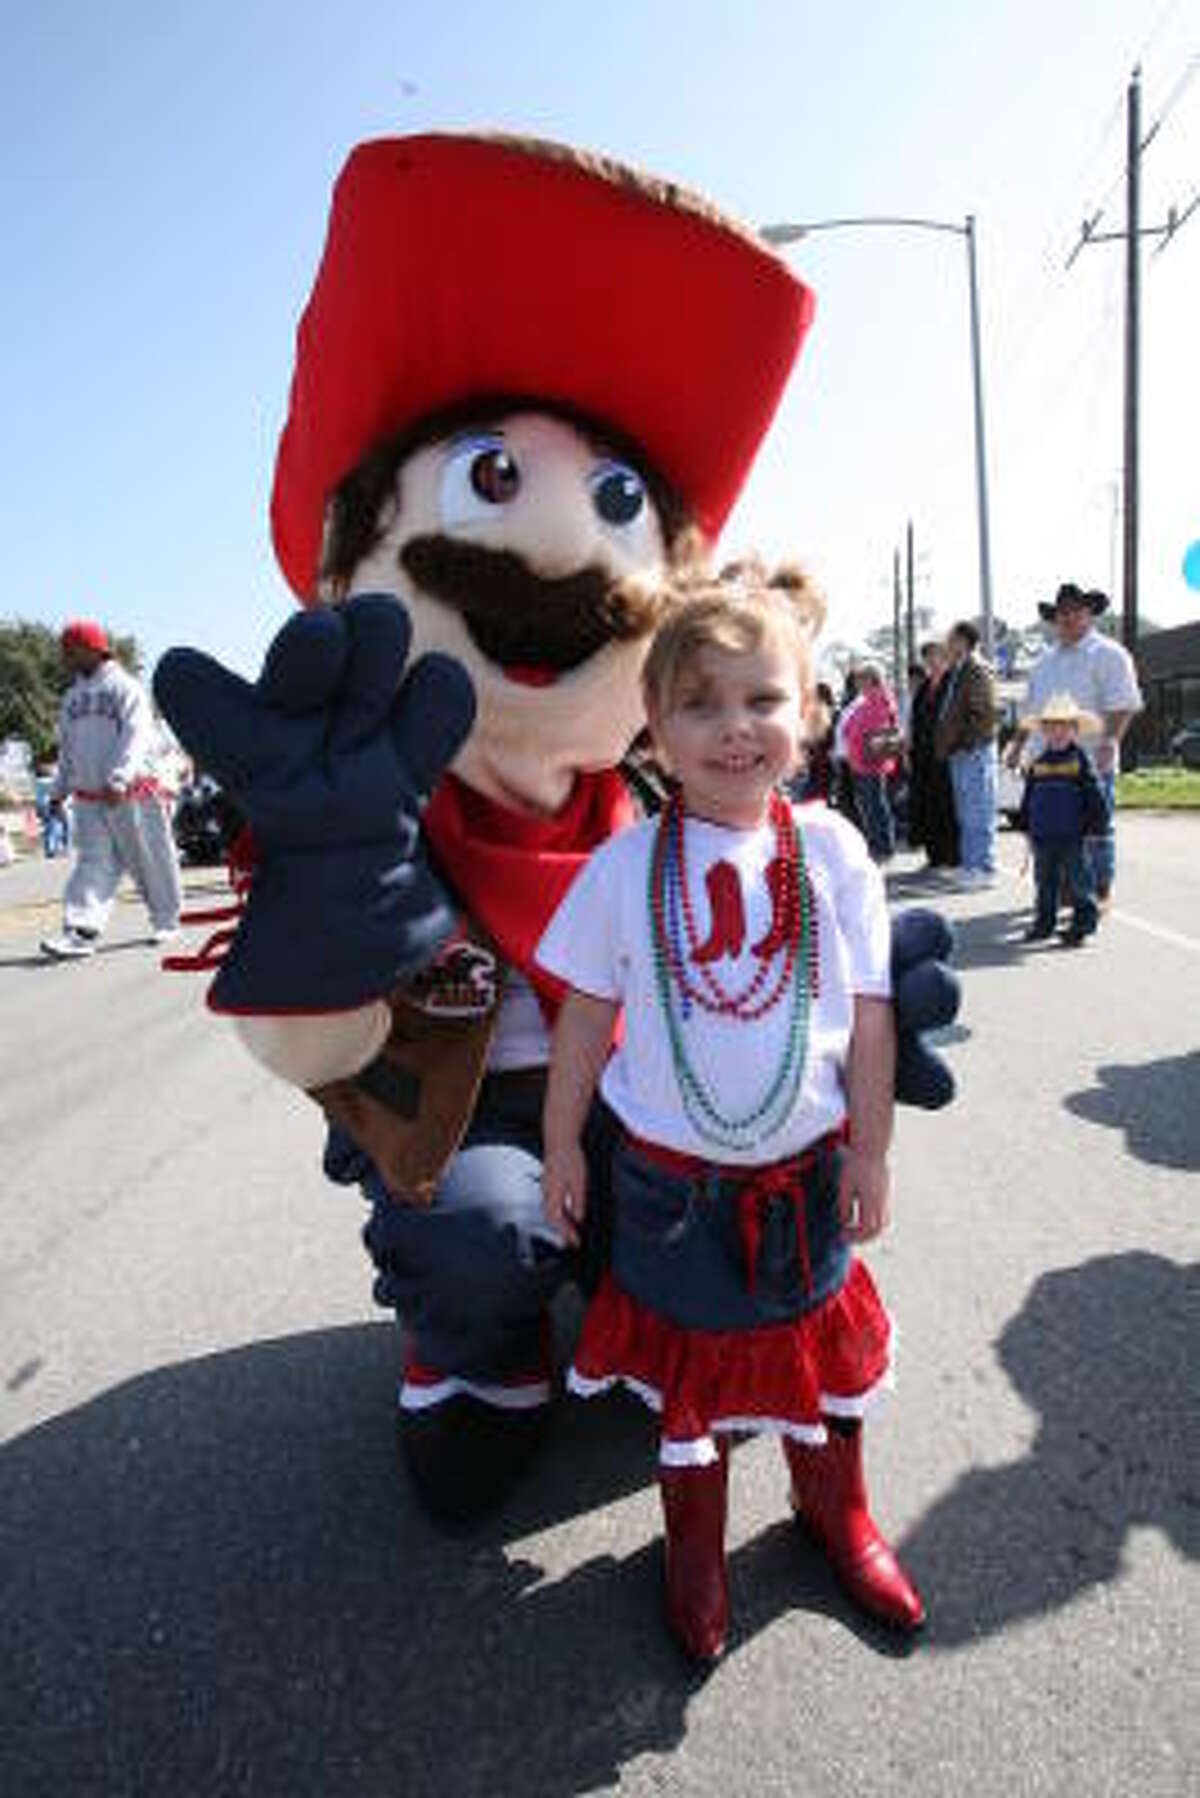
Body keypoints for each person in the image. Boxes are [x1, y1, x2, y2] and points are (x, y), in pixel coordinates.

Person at [154, 132, 959, 1531]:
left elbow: (787, 950)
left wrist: (858, 1008)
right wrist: (332, 888)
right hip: (469, 1117)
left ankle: (629, 1303)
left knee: (739, 1189)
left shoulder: (669, 807)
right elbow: (308, 1039)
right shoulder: (381, 812)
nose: (554, 556)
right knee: (487, 1233)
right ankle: (479, 1340)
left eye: (611, 506)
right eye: (484, 482)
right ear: (358, 566)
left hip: (649, 1112)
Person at [537, 567, 924, 1662]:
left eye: (761, 698)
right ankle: (694, 1552)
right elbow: (579, 1019)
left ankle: (834, 1511)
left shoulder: (836, 851)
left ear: (809, 712)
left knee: (829, 1368)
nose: (735, 727)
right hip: (669, 1188)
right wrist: (564, 1142)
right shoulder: (622, 865)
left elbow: (873, 1012)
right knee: (691, 1389)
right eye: (700, 704)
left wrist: (873, 1149)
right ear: (653, 729)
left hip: (806, 1174)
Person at [40, 620, 182, 960]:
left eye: (70, 651)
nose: (66, 659)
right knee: (93, 861)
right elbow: (68, 748)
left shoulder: (126, 688)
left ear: (92, 649)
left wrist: (120, 777)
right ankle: (80, 930)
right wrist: (59, 790)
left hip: (132, 791)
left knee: (150, 859)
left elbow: (137, 735)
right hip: (89, 797)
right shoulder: (72, 697)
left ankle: (167, 921)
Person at [1018, 583, 1142, 908]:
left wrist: (1112, 741)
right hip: (1048, 761)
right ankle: (1064, 889)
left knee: (1095, 826)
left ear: (1090, 614)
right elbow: (1031, 710)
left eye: (1075, 611)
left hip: (1090, 757)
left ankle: (1099, 889)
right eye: (1061, 613)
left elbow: (1123, 704)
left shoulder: (1109, 654)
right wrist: (1019, 747)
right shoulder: (1044, 662)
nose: (1068, 618)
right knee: (1055, 829)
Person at [1015, 693, 1110, 946]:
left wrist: (1098, 824)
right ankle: (1043, 924)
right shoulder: (1038, 763)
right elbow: (1030, 796)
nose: (1057, 732)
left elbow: (1094, 794)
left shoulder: (1079, 761)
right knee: (1045, 882)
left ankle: (1082, 924)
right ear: (1044, 731)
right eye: (1051, 727)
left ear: (1074, 730)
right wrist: (1024, 822)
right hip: (1043, 834)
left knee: (1079, 881)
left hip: (1073, 834)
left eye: (1064, 726)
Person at [935, 620, 998, 887]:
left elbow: (984, 712)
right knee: (965, 812)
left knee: (977, 811)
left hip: (973, 750)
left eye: (951, 639)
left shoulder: (977, 669)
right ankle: (969, 864)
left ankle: (983, 868)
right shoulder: (961, 669)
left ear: (963, 641)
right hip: (960, 751)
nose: (947, 644)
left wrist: (967, 742)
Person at [839, 661, 901, 862]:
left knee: (875, 805)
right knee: (869, 805)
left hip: (871, 761)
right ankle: (877, 844)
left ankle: (883, 846)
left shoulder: (880, 699)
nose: (858, 684)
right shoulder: (866, 701)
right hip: (860, 760)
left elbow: (878, 728)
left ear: (871, 679)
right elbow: (851, 729)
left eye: (861, 679)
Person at [905, 639, 958, 871]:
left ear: (945, 657)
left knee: (947, 804)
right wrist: (908, 748)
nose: (931, 661)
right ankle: (934, 854)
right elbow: (914, 722)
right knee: (925, 804)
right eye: (927, 657)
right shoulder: (924, 687)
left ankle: (951, 855)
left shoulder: (953, 683)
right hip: (922, 754)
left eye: (935, 655)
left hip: (945, 754)